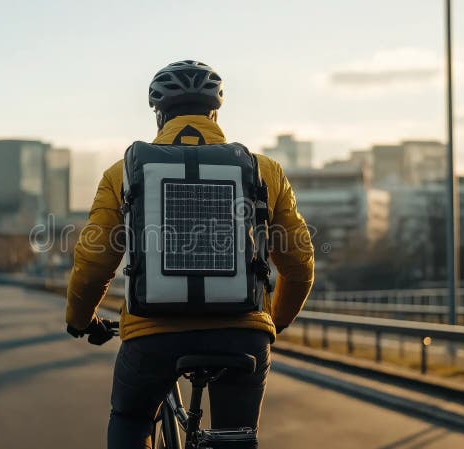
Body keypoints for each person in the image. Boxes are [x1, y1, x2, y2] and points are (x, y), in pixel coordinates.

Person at [66, 60, 314, 448]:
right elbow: (299, 267)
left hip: (153, 336)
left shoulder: (124, 172)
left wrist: (81, 320)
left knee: (130, 418)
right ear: (215, 111)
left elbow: (93, 263)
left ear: (159, 114)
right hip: (242, 334)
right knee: (235, 438)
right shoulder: (264, 170)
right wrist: (274, 322)